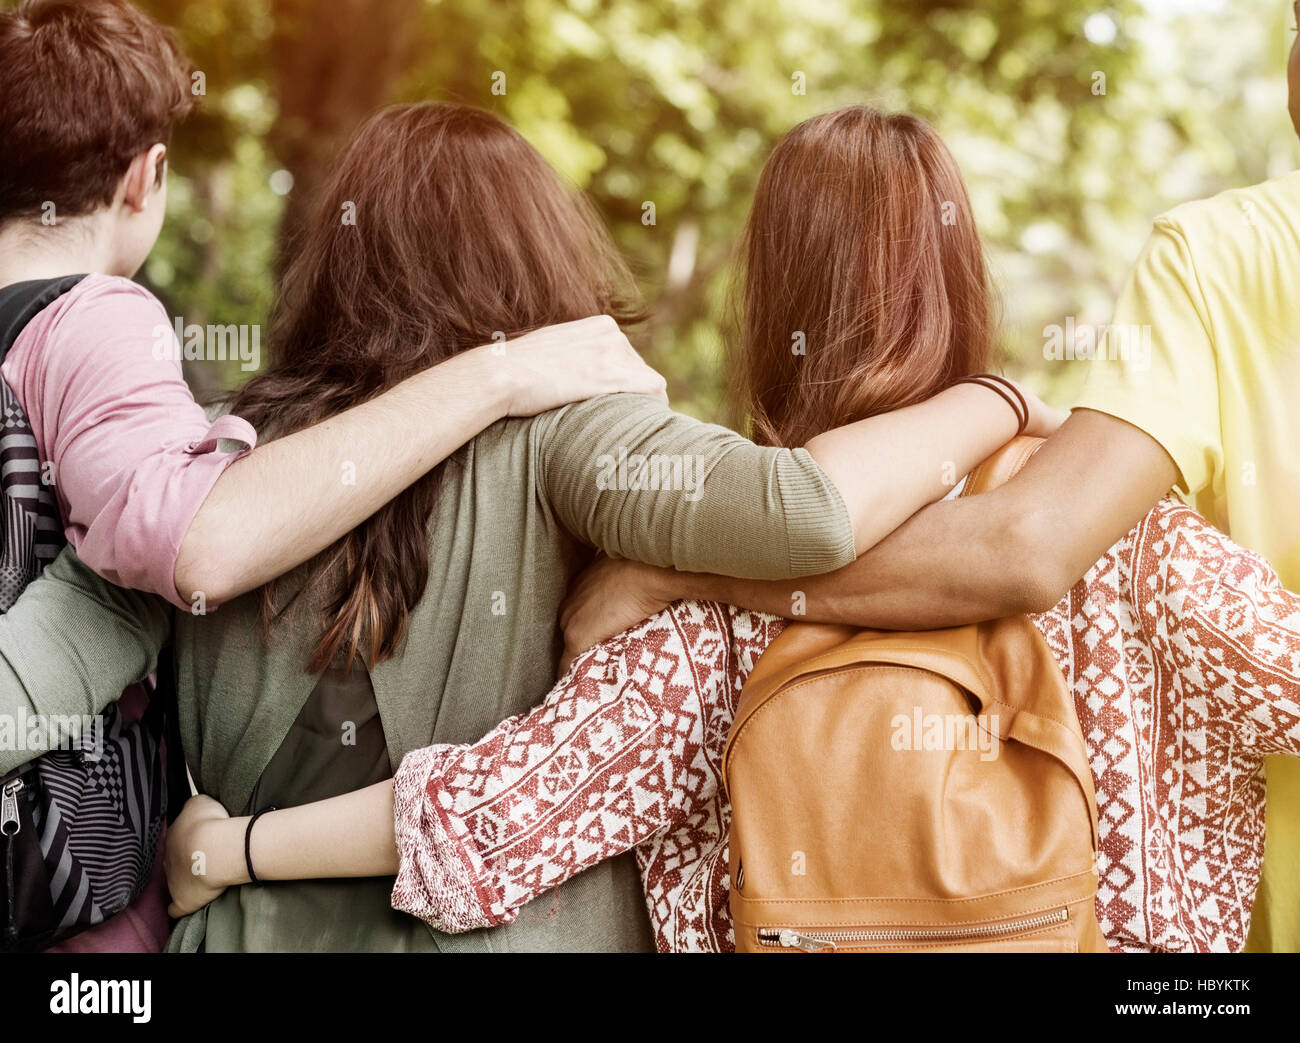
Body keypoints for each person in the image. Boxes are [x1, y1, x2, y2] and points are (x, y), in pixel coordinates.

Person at [163, 107, 1300, 954]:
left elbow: (489, 821)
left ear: (772, 306)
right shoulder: (1130, 538)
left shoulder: (695, 590)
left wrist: (230, 848)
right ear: (964, 276)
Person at [0, 99, 1057, 952]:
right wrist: (1001, 399)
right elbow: (811, 510)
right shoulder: (575, 439)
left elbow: (38, 673)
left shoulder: (227, 466)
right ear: (539, 249)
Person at [0, 0, 666, 953]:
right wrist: (501, 372)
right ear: (146, 178)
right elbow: (193, 543)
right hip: (70, 874)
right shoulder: (99, 315)